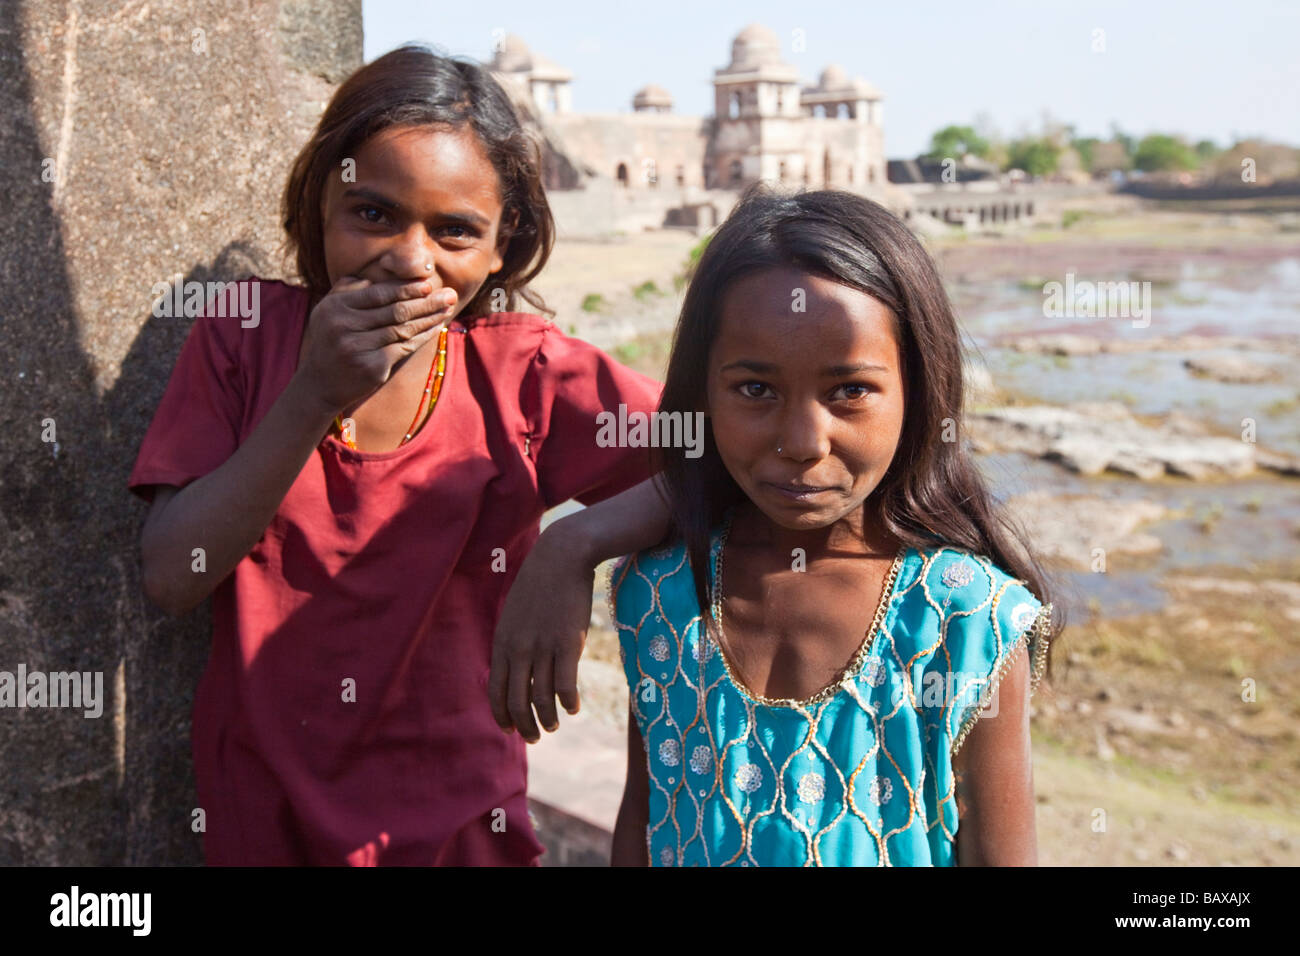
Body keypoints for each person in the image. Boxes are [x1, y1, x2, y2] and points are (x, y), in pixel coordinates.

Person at [129, 43, 672, 866]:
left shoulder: (524, 376)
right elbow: (173, 574)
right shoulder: (246, 340)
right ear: (321, 204)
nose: (409, 260)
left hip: (458, 831)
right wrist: (312, 394)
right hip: (262, 823)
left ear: (502, 243)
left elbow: (727, 461)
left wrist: (575, 545)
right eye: (373, 214)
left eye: (454, 231)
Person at [605, 185, 1064, 866]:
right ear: (702, 392)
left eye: (849, 390)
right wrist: (568, 545)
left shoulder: (968, 622)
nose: (802, 441)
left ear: (920, 387)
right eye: (755, 389)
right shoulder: (658, 594)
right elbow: (644, 818)